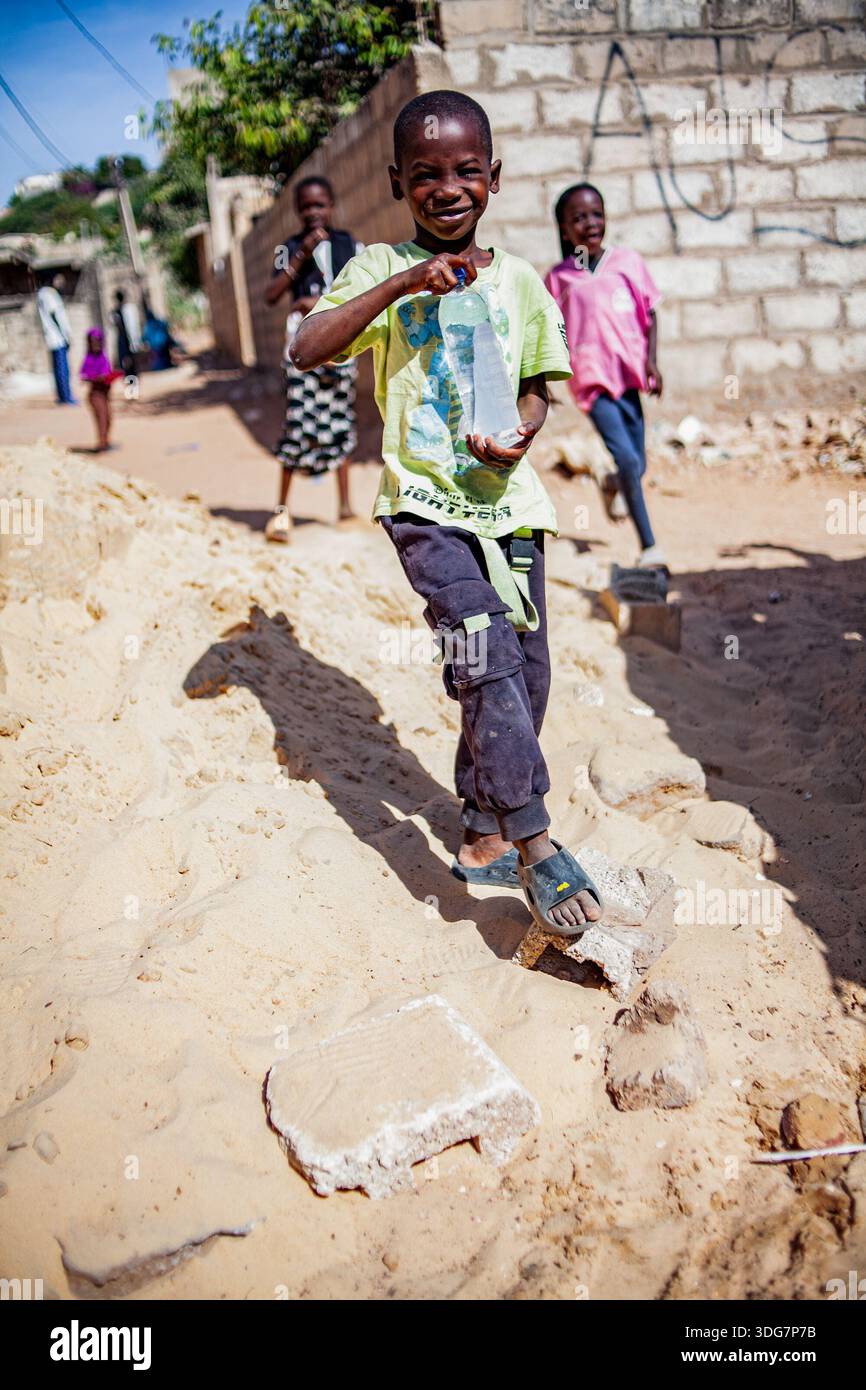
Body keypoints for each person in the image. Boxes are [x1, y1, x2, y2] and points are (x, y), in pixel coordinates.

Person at [290, 91, 604, 935]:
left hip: (511, 509)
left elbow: (540, 392)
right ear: (398, 183)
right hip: (427, 510)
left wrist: (522, 435)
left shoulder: (522, 280)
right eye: (425, 174)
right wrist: (402, 282)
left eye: (467, 169)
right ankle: (536, 843)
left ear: (494, 178)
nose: (447, 187)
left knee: (525, 673)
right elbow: (305, 346)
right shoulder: (378, 270)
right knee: (483, 653)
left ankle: (477, 832)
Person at [545, 183, 666, 569]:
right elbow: (547, 330)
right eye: (578, 218)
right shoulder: (560, 279)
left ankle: (612, 482)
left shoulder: (627, 263)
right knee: (629, 461)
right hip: (592, 383)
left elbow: (651, 315)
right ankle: (649, 547)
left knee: (638, 464)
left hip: (629, 377)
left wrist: (651, 362)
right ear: (564, 229)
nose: (589, 223)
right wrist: (545, 378)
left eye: (596, 214)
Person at [264, 175, 362, 542]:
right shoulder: (286, 248)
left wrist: (318, 304)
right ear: (296, 211)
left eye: (319, 205)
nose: (313, 212)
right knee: (297, 425)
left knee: (341, 421)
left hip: (341, 348)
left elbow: (362, 292)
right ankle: (281, 511)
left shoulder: (349, 244)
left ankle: (345, 506)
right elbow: (271, 295)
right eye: (305, 207)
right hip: (302, 350)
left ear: (332, 206)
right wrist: (302, 252)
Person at [36, 273, 76, 405]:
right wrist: (65, 335)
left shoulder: (41, 294)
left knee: (58, 369)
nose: (61, 282)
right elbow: (55, 315)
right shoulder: (49, 294)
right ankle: (66, 397)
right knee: (62, 369)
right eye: (58, 279)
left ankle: (62, 396)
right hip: (58, 337)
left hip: (52, 337)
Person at [79, 327, 120, 451]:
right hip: (96, 395)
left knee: (108, 419)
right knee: (101, 418)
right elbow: (83, 376)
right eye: (93, 342)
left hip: (105, 394)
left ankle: (106, 442)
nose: (95, 344)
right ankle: (101, 444)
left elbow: (108, 372)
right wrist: (96, 378)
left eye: (98, 341)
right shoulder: (88, 359)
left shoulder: (103, 358)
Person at [142, 300, 180, 371]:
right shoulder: (158, 322)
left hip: (156, 347)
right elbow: (167, 324)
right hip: (164, 344)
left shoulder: (147, 326)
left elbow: (144, 338)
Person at [111, 289, 142, 374]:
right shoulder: (117, 311)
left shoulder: (128, 309)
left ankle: (132, 376)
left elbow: (132, 326)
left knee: (130, 358)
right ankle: (129, 375)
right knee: (125, 358)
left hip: (127, 338)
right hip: (123, 338)